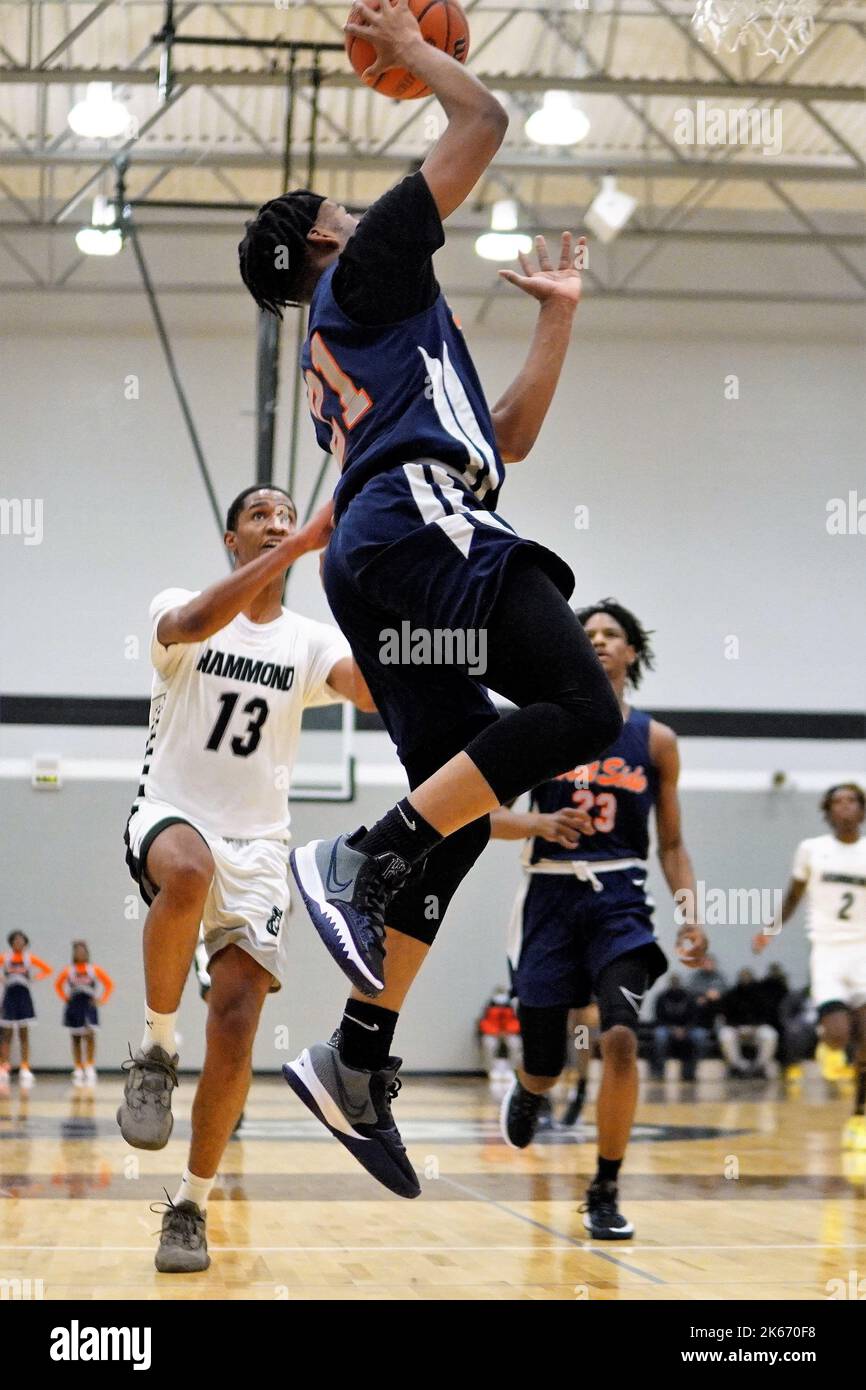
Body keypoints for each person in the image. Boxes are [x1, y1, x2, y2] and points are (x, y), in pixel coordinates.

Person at [240, 0, 622, 1193]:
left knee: (462, 815)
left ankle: (357, 1058)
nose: (357, 208)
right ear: (317, 242)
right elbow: (485, 119)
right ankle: (358, 852)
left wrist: (552, 322)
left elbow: (502, 436)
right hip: (416, 526)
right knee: (582, 705)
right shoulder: (368, 269)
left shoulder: (377, 333)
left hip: (396, 539)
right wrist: (416, 55)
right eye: (335, 210)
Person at [118, 483, 375, 1272]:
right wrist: (296, 550)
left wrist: (387, 591)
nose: (275, 524)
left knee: (235, 1022)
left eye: (288, 517)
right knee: (186, 873)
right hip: (170, 811)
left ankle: (190, 1207)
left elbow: (368, 690)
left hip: (261, 847)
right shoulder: (182, 609)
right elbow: (192, 622)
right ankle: (157, 1049)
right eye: (259, 516)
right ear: (232, 541)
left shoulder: (307, 638)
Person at [489, 600, 706, 1238]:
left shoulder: (656, 741)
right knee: (547, 1061)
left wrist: (690, 914)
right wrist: (537, 822)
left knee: (619, 1036)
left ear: (633, 652)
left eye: (613, 634)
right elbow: (480, 813)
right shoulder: (539, 726)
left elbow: (671, 845)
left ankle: (605, 1188)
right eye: (589, 635)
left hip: (621, 903)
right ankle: (531, 1090)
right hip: (549, 900)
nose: (601, 642)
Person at [754, 782, 866, 1148]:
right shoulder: (812, 850)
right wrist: (769, 930)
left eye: (852, 801)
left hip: (863, 949)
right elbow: (793, 896)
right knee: (838, 1034)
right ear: (827, 811)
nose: (845, 807)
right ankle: (828, 1044)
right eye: (837, 801)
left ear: (862, 810)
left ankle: (859, 1117)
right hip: (829, 950)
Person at [55, 942, 114, 1086]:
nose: (80, 954)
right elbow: (58, 985)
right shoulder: (69, 971)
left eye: (83, 951)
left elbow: (109, 984)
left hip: (89, 1005)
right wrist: (65, 998)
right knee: (75, 1037)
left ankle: (89, 1066)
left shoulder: (93, 970)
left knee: (90, 1035)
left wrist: (102, 1000)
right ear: (74, 954)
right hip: (74, 1005)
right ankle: (78, 1067)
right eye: (78, 951)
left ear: (87, 953)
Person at [0, 932, 52, 1090]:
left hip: (24, 996)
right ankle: (4, 1066)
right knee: (6, 1033)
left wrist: (34, 978)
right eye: (16, 940)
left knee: (24, 1033)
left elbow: (47, 969)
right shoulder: (6, 957)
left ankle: (24, 1067)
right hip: (9, 995)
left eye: (21, 940)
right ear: (11, 942)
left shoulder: (29, 959)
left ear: (25, 943)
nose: (18, 943)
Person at [716, 968, 779, 1078]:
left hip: (757, 1029)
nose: (745, 980)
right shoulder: (731, 995)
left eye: (747, 977)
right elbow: (725, 1015)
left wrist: (755, 1027)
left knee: (770, 1034)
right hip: (736, 1029)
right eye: (743, 977)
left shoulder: (761, 995)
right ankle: (738, 1066)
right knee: (724, 1034)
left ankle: (760, 1066)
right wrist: (736, 1027)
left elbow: (767, 1015)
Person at [651, 974, 701, 1082]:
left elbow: (694, 1017)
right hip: (667, 1027)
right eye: (673, 983)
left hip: (687, 1028)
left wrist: (685, 1029)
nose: (675, 985)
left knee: (700, 1037)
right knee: (660, 1036)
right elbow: (659, 1018)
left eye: (676, 983)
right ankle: (658, 1072)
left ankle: (690, 1071)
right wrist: (673, 1029)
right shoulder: (661, 997)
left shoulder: (689, 997)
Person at [478, 987, 521, 1078]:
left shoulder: (512, 1007)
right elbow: (484, 1022)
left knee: (515, 1044)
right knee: (489, 1044)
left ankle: (513, 1069)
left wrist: (508, 1031)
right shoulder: (488, 1007)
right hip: (492, 1033)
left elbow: (515, 1022)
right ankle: (490, 1070)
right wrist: (495, 1031)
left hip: (509, 1033)